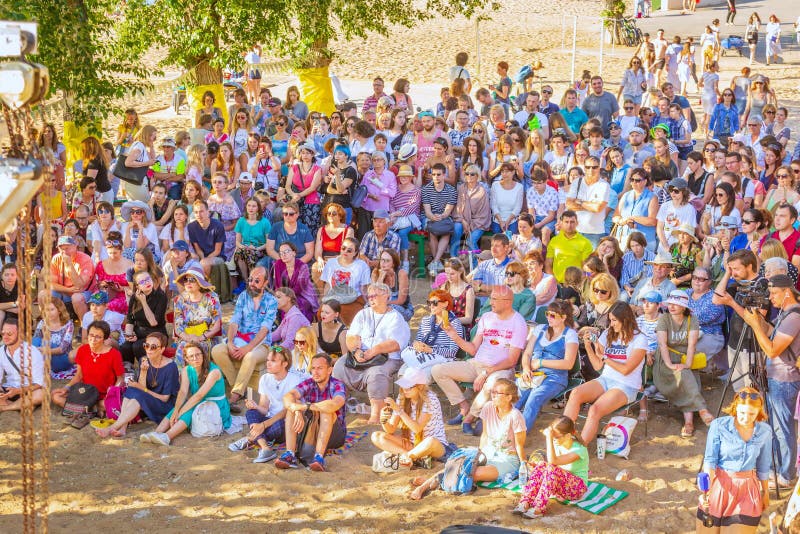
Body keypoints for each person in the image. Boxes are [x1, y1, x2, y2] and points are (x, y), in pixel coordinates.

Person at [409, 378, 526, 500]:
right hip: (488, 452)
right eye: (493, 392)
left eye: (498, 393)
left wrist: (523, 464)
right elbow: (485, 435)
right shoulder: (488, 407)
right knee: (458, 463)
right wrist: (479, 453)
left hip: (507, 459)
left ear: (509, 397)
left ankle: (435, 481)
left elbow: (519, 445)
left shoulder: (515, 416)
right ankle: (426, 485)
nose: (493, 395)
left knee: (473, 473)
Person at [434, 285, 526, 435]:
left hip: (501, 369)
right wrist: (454, 335)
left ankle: (469, 418)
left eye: (495, 299)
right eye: (491, 298)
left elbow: (512, 360)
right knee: (438, 370)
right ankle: (463, 407)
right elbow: (473, 349)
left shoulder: (518, 323)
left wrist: (486, 373)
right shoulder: (487, 317)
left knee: (491, 385)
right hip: (477, 363)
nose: (490, 302)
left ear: (508, 302)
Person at [739, 274, 800, 488]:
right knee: (775, 427)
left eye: (774, 293)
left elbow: (772, 349)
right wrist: (760, 321)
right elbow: (773, 334)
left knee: (783, 429)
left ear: (787, 292)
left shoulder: (794, 316)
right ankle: (779, 469)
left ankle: (787, 475)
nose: (771, 298)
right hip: (777, 377)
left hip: (785, 379)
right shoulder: (786, 313)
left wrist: (755, 326)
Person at [564, 302, 647, 445]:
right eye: (610, 320)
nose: (611, 324)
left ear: (625, 319)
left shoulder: (640, 339)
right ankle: (563, 436)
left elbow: (626, 369)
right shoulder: (609, 333)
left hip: (626, 385)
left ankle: (580, 447)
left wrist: (605, 358)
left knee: (595, 410)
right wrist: (589, 346)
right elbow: (597, 365)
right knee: (576, 393)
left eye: (614, 320)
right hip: (606, 379)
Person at [333, 283, 410, 424]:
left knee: (376, 373)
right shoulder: (363, 314)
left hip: (387, 357)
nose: (371, 299)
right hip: (361, 355)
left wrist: (374, 351)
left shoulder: (395, 317)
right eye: (369, 296)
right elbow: (351, 336)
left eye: (374, 295)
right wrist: (356, 350)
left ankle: (377, 412)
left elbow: (395, 343)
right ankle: (339, 403)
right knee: (339, 366)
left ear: (386, 296)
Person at [697, 387, 771, 532]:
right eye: (742, 412)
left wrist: (765, 492)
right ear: (736, 408)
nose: (746, 418)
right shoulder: (718, 425)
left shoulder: (765, 431)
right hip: (719, 487)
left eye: (752, 414)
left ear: (758, 412)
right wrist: (705, 493)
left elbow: (763, 466)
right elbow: (710, 461)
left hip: (748, 491)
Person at [211, 266, 277, 411]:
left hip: (261, 345)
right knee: (217, 350)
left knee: (250, 356)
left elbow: (264, 330)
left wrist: (248, 348)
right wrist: (230, 342)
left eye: (257, 281)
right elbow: (234, 321)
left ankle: (234, 396)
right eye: (250, 280)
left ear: (265, 283)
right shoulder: (243, 296)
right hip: (239, 339)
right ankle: (239, 387)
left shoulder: (271, 301)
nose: (252, 283)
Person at [140, 343, 231, 446]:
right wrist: (177, 410)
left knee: (188, 409)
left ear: (203, 355)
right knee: (177, 409)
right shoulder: (186, 370)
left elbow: (199, 395)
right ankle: (157, 432)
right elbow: (183, 392)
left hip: (216, 406)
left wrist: (181, 412)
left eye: (198, 354)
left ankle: (167, 436)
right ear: (186, 359)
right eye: (191, 356)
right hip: (200, 402)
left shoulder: (214, 371)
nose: (195, 358)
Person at [654, 290, 715, 437]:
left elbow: (691, 345)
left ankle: (689, 422)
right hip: (665, 359)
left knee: (688, 376)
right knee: (686, 376)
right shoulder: (664, 319)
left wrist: (687, 363)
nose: (672, 307)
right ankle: (702, 410)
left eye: (677, 304)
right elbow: (662, 345)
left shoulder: (691, 319)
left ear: (684, 307)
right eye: (670, 303)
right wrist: (670, 365)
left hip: (685, 358)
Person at [228, 346, 305, 463]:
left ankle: (250, 438)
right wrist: (256, 406)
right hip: (269, 418)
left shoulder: (295, 380)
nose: (268, 364)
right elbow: (264, 408)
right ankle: (265, 447)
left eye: (273, 361)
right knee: (251, 412)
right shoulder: (265, 378)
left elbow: (287, 411)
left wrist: (263, 425)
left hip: (286, 421)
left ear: (285, 364)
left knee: (278, 425)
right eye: (268, 360)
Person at [96, 332, 180, 438]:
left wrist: (142, 389)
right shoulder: (143, 360)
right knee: (131, 389)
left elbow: (164, 398)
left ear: (162, 349)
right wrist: (144, 373)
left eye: (153, 347)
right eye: (146, 345)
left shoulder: (170, 367)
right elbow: (140, 388)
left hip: (164, 407)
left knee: (137, 394)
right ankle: (123, 428)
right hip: (147, 400)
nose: (148, 349)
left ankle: (113, 427)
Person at [275, 354, 347, 472]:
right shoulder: (309, 383)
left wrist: (306, 406)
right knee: (292, 406)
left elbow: (336, 403)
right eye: (313, 368)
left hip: (335, 434)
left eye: (320, 368)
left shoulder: (337, 384)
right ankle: (290, 454)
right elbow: (288, 397)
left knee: (326, 410)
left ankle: (319, 457)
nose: (315, 372)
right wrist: (296, 409)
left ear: (329, 370)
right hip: (314, 428)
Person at [371, 367, 454, 467]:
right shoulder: (402, 398)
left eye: (408, 387)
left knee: (430, 441)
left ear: (420, 386)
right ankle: (408, 456)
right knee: (376, 436)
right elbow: (390, 430)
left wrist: (399, 410)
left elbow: (417, 428)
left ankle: (408, 457)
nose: (404, 390)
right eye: (403, 386)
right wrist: (383, 420)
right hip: (412, 444)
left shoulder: (430, 399)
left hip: (434, 447)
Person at [516, 300, 579, 431]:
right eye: (547, 314)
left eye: (553, 315)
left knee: (534, 398)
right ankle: (503, 432)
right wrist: (526, 368)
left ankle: (519, 436)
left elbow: (568, 364)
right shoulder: (539, 329)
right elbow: (527, 354)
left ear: (563, 317)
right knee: (514, 396)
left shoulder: (570, 334)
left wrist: (540, 362)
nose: (548, 318)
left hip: (555, 377)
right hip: (532, 374)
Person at [513, 416, 589, 519]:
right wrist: (538, 467)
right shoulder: (558, 443)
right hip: (562, 483)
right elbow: (551, 464)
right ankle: (525, 502)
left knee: (551, 467)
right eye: (553, 436)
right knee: (541, 465)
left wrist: (548, 437)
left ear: (567, 436)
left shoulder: (580, 450)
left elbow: (553, 461)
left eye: (556, 437)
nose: (554, 439)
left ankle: (539, 508)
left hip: (577, 488)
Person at [712, 249, 765, 389]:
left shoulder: (762, 284)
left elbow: (757, 320)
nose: (733, 273)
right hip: (734, 342)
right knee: (738, 388)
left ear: (749, 266)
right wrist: (728, 273)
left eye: (736, 268)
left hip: (752, 345)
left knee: (752, 389)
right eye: (731, 269)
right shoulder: (738, 282)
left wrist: (732, 303)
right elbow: (716, 299)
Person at [51, 321, 124, 416]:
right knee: (56, 397)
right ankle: (93, 410)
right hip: (85, 393)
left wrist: (110, 396)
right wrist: (66, 388)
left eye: (98, 337)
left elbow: (120, 379)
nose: (93, 339)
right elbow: (79, 375)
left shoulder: (114, 354)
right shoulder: (82, 350)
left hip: (104, 395)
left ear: (104, 338)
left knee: (108, 404)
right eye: (91, 335)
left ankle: (83, 410)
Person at [39, 236, 94, 324]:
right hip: (65, 291)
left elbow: (79, 285)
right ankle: (50, 323)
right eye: (61, 249)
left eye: (67, 248)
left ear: (75, 246)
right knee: (43, 294)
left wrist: (69, 264)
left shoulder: (85, 259)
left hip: (83, 292)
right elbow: (52, 284)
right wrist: (67, 290)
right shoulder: (56, 258)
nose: (64, 252)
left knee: (76, 298)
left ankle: (84, 325)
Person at [172, 269, 222, 366]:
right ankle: (182, 378)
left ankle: (201, 378)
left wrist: (200, 337)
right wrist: (188, 338)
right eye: (186, 280)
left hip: (208, 337)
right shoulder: (180, 299)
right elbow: (178, 325)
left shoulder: (212, 298)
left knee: (199, 348)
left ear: (200, 283)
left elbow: (217, 325)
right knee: (183, 347)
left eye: (192, 280)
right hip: (187, 337)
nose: (188, 282)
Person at [119, 270, 168, 366]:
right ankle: (129, 371)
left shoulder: (161, 297)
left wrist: (144, 302)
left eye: (148, 279)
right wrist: (129, 336)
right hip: (139, 334)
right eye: (142, 282)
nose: (146, 283)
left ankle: (146, 371)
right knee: (125, 347)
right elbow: (130, 319)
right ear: (137, 286)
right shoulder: (134, 297)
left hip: (157, 333)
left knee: (139, 346)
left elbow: (153, 322)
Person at [0, 320, 45, 413]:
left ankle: (6, 407)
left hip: (29, 389)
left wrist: (18, 391)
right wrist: (2, 393)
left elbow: (39, 383)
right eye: (3, 333)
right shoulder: (1, 351)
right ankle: (22, 405)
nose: (5, 337)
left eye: (9, 334)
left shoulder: (33, 353)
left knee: (41, 394)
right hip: (9, 389)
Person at [269, 241, 318, 323]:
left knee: (297, 305)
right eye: (281, 253)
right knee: (276, 303)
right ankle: (284, 326)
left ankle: (301, 327)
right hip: (284, 295)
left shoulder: (303, 266)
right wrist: (282, 296)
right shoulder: (278, 264)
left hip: (302, 295)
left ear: (294, 253)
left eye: (286, 251)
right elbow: (278, 285)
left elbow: (299, 288)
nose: (283, 255)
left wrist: (286, 298)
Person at [422, 164, 457, 274]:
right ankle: (437, 263)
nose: (436, 177)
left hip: (444, 217)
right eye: (433, 174)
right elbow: (427, 211)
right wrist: (433, 217)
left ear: (443, 175)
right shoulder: (426, 189)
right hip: (430, 216)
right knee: (432, 231)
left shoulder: (452, 190)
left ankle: (435, 262)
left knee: (446, 231)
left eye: (438, 174)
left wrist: (441, 216)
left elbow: (448, 210)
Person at [546, 211, 594, 283]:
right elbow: (548, 264)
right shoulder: (554, 241)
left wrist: (586, 282)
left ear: (577, 223)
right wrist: (553, 282)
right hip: (557, 284)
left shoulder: (585, 242)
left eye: (572, 222)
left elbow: (588, 267)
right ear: (561, 223)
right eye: (566, 222)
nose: (569, 225)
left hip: (577, 284)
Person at [32, 299, 74, 373]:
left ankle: (40, 367)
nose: (49, 313)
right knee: (36, 340)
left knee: (47, 343)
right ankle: (37, 367)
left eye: (52, 309)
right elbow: (35, 343)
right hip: (46, 356)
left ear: (59, 310)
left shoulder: (68, 325)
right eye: (47, 310)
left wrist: (45, 350)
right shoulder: (42, 323)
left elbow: (62, 349)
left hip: (62, 359)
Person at [372, 249, 413, 321]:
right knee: (368, 306)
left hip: (403, 308)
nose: (383, 263)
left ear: (393, 263)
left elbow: (401, 301)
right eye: (382, 260)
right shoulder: (376, 273)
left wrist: (382, 303)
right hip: (382, 306)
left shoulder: (401, 274)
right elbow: (373, 296)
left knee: (387, 308)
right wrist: (381, 278)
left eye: (387, 261)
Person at [270, 287, 310, 351]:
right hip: (292, 352)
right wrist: (257, 339)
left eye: (278, 297)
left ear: (288, 298)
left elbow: (290, 342)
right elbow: (277, 334)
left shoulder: (295, 317)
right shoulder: (289, 315)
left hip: (301, 355)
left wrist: (274, 350)